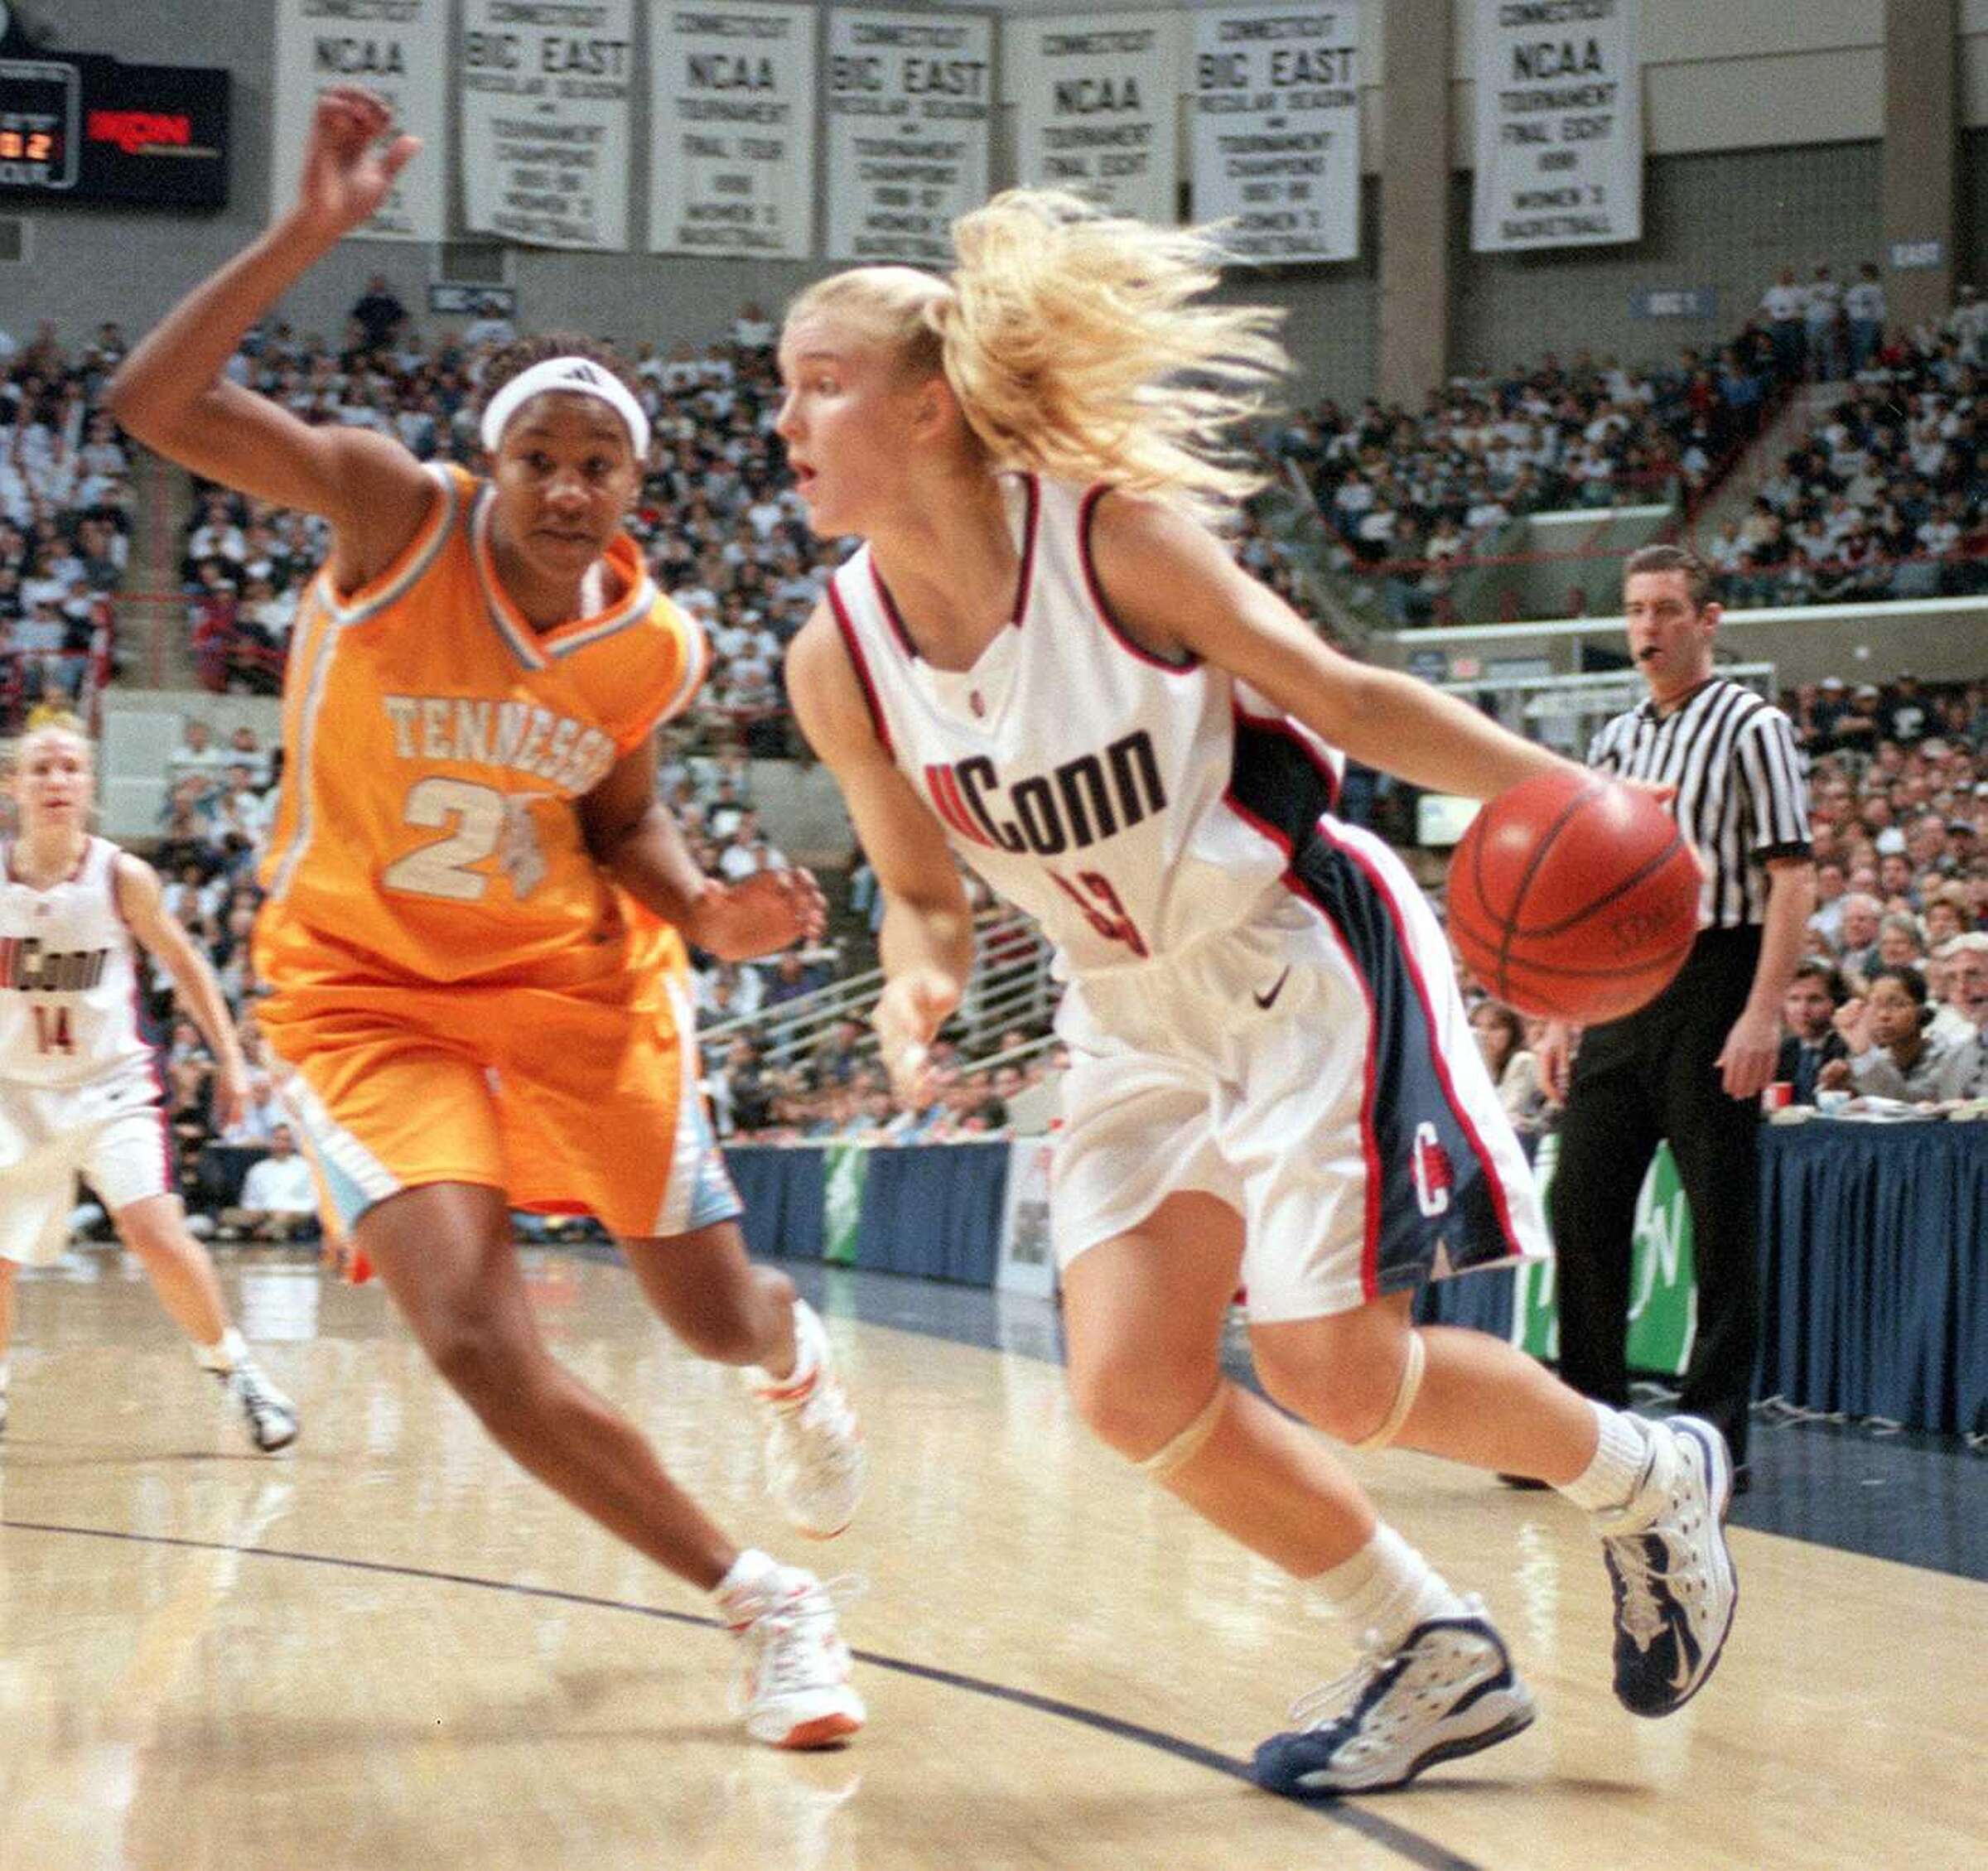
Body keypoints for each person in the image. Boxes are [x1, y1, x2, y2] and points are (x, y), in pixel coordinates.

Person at [774, 190, 1738, 1799]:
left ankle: (1650, 1473)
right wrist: (915, 980)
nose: (786, 419)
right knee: (1131, 1384)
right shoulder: (840, 656)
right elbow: (924, 891)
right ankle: (1428, 1643)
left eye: (819, 382)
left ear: (927, 403)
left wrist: (1587, 805)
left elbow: (1347, 697)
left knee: (1330, 1371)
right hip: (1123, 1010)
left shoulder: (1113, 539)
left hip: (1293, 954)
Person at [106, 89, 865, 1751]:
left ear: (638, 483)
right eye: (540, 456)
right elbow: (151, 402)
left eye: (599, 462)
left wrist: (714, 917)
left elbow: (622, 819)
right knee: (467, 1327)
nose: (567, 485)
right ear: (495, 458)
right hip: (365, 993)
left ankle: (793, 1361)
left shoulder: (649, 643)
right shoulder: (394, 513)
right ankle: (768, 1601)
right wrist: (306, 232)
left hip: (573, 985)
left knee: (712, 1313)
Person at [1539, 545, 1815, 1494]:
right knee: (1580, 1200)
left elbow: (1793, 874)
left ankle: (1713, 1436)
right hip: (1624, 983)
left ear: (1709, 619)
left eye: (1665, 609)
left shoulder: (1754, 726)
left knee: (1720, 1216)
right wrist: (1563, 1009)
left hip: (1719, 975)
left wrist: (1761, 1012)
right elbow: (1590, 885)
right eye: (1635, 611)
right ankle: (1591, 1431)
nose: (1647, 628)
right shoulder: (1617, 739)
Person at [0, 716, 299, 1453]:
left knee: (155, 1231)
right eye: (40, 769)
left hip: (111, 1085)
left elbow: (189, 965)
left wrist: (231, 1059)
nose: (56, 781)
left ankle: (237, 1369)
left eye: (70, 768)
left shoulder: (120, 875)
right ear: (13, 785)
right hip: (13, 1088)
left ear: (90, 785)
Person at [219, 1121, 318, 1240]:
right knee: (226, 1215)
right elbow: (250, 1201)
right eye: (277, 1139)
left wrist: (285, 1212)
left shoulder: (306, 1167)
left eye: (286, 1140)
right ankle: (264, 1231)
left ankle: (268, 1232)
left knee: (282, 1221)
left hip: (294, 1214)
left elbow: (314, 1203)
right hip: (263, 1214)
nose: (281, 1144)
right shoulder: (258, 1169)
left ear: (293, 1143)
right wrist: (257, 1213)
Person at [1774, 958, 1850, 1104]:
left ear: (1837, 1003)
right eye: (1794, 999)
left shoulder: (1850, 1050)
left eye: (1814, 999)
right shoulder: (1782, 1051)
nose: (1803, 1010)